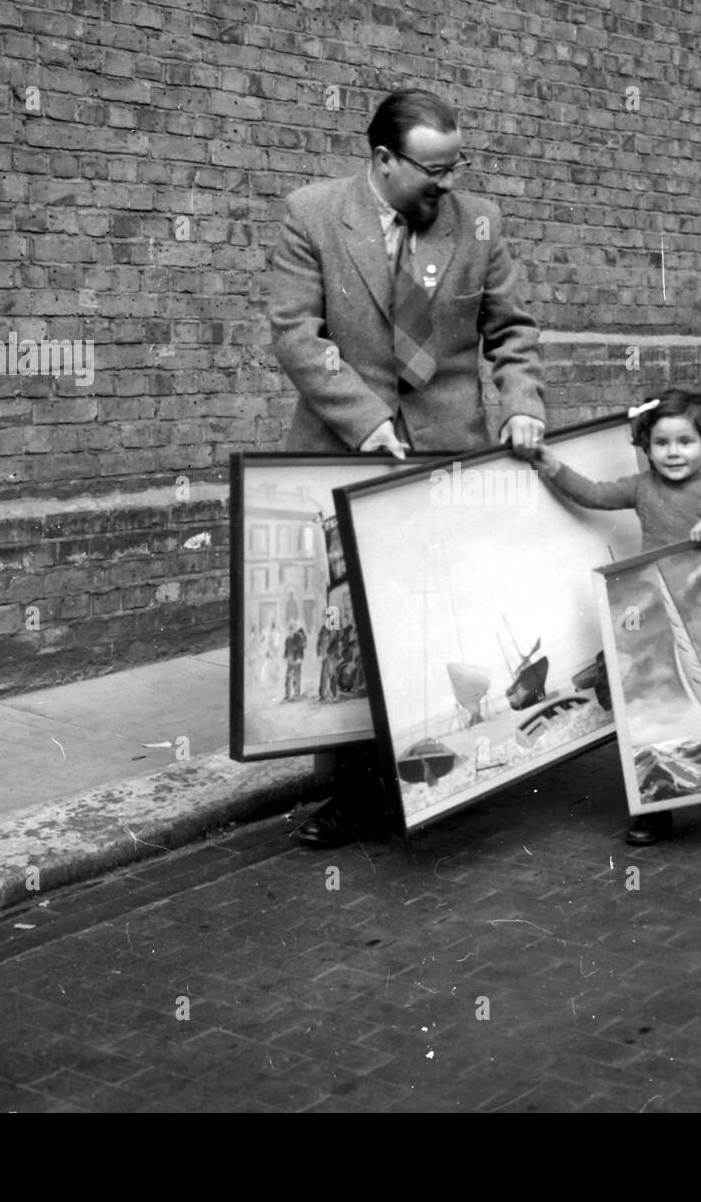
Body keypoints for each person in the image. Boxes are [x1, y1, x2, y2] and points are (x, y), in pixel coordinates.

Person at [267, 88, 546, 846]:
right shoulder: (314, 214)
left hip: (448, 457)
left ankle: (440, 775)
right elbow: (298, 335)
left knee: (435, 619)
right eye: (432, 170)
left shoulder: (479, 222)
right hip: (344, 454)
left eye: (458, 167)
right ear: (383, 160)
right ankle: (355, 797)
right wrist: (365, 424)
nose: (447, 186)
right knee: (354, 626)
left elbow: (511, 330)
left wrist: (522, 400)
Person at [531, 387, 701, 846]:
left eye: (685, 442)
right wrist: (551, 465)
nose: (673, 452)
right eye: (662, 443)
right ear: (646, 447)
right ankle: (657, 806)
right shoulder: (642, 488)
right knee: (654, 704)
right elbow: (593, 494)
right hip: (655, 606)